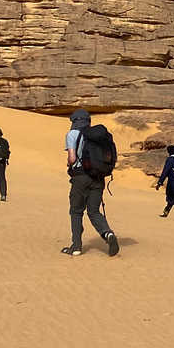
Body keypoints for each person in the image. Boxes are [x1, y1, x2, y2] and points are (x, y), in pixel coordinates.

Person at [64, 108, 119, 257]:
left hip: (80, 178)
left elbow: (72, 159)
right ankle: (108, 234)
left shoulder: (72, 134)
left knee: (76, 211)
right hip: (98, 178)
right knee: (94, 211)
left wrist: (68, 163)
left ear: (75, 121)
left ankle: (76, 247)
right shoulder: (99, 136)